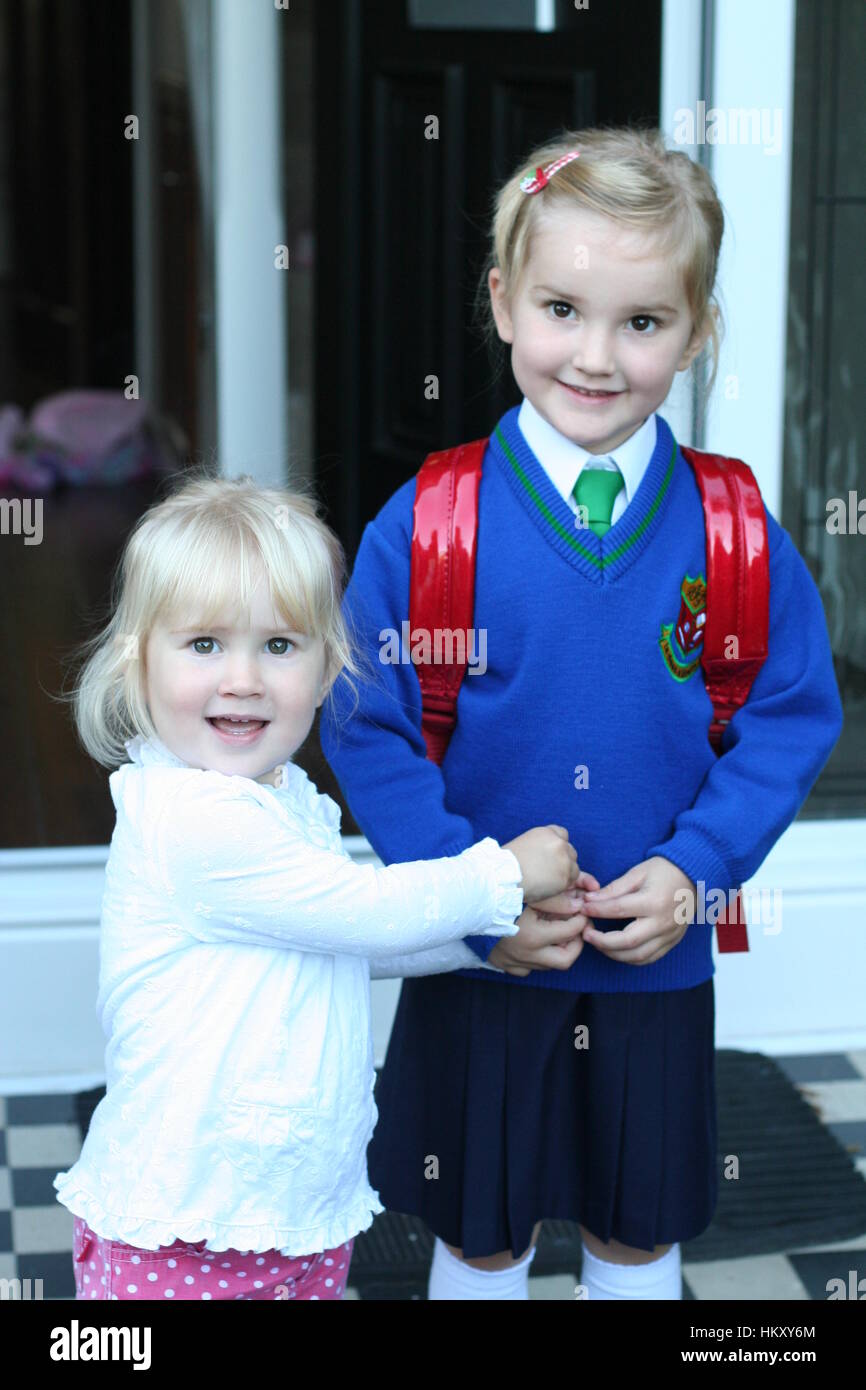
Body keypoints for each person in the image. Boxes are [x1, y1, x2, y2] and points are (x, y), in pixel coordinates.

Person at [320, 126, 845, 1300]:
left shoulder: (732, 530)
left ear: (697, 332)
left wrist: (699, 866)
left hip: (651, 964)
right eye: (562, 308)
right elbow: (366, 720)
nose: (595, 356)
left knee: (636, 1225)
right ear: (503, 303)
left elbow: (786, 715)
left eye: (642, 322)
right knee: (478, 1229)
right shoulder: (431, 520)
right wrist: (468, 890)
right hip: (481, 961)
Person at [53, 472, 585, 1300]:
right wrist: (503, 876)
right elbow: (361, 911)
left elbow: (328, 943)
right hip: (189, 1227)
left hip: (292, 1208)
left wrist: (480, 949)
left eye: (279, 645)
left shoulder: (282, 800)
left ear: (327, 664)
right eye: (203, 645)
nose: (242, 679)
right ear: (137, 661)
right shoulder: (190, 821)